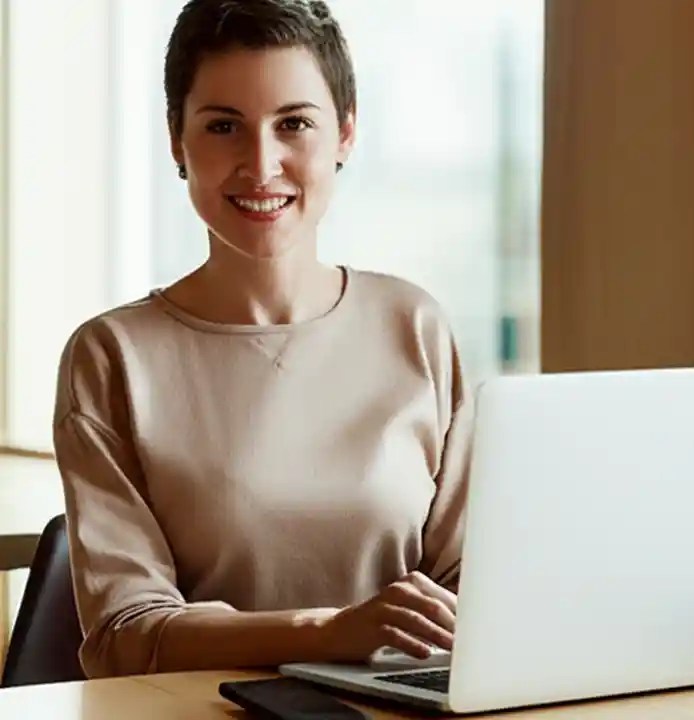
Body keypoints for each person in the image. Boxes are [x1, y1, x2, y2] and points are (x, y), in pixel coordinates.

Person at [51, 0, 471, 679]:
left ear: (345, 134)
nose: (261, 163)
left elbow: (470, 584)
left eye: (294, 124)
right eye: (223, 126)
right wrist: (329, 632)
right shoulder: (111, 357)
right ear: (176, 142)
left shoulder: (415, 324)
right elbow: (127, 636)